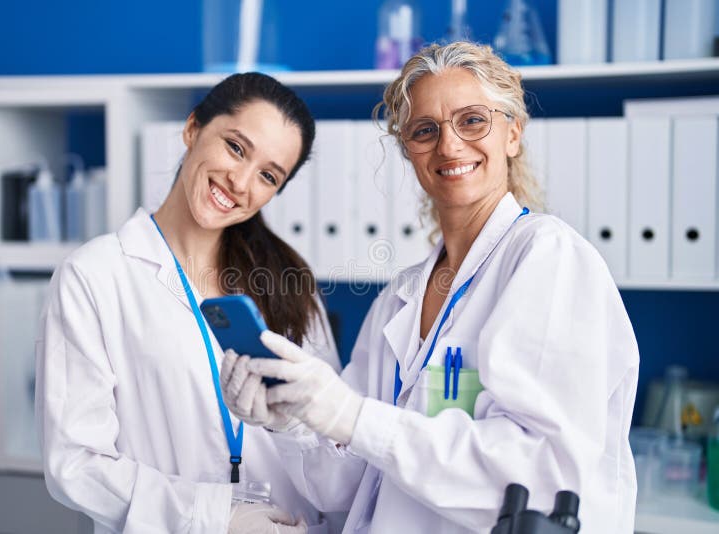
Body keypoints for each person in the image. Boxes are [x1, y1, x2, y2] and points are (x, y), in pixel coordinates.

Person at [220, 42, 639, 533]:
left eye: (473, 121)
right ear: (409, 152)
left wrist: (352, 415)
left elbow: (541, 479)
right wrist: (290, 420)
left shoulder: (548, 260)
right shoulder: (399, 298)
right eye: (425, 131)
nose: (449, 145)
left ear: (513, 134)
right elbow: (346, 489)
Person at [35, 72, 341, 534]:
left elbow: (334, 454)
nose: (240, 182)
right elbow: (75, 463)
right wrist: (217, 516)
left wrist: (290, 425)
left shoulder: (291, 281)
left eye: (267, 175)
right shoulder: (94, 275)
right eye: (236, 147)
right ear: (193, 128)